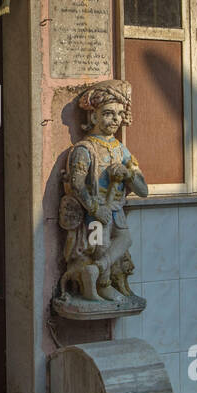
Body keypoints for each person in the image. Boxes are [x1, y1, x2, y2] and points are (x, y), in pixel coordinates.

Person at [59, 78, 147, 305]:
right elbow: (77, 184)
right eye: (108, 113)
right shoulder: (85, 149)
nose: (115, 119)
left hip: (116, 211)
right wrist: (96, 208)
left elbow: (143, 189)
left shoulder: (122, 151)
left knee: (124, 239)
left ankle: (97, 271)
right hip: (94, 215)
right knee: (100, 246)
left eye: (118, 114)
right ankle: (101, 285)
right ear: (95, 116)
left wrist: (128, 175)